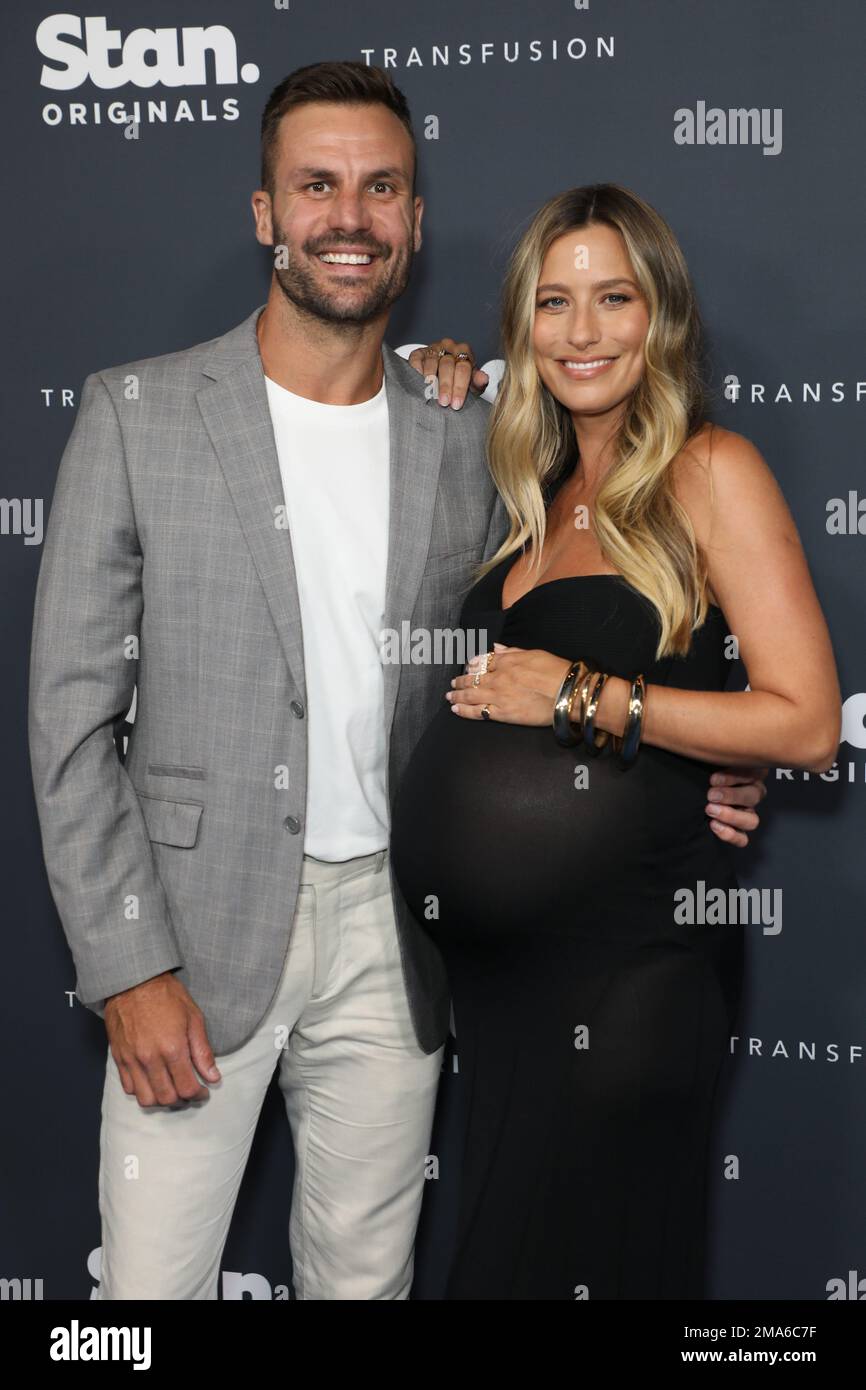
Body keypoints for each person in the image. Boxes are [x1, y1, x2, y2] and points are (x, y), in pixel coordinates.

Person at [27, 61, 766, 1302]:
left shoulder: (473, 437)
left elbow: (598, 619)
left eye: (381, 187)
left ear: (415, 221)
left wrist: (708, 759)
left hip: (402, 939)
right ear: (264, 211)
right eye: (315, 185)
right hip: (193, 945)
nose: (349, 215)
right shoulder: (135, 414)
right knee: (143, 1301)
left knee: (365, 1285)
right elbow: (67, 720)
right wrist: (125, 966)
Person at [391, 183, 841, 1299]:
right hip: (504, 1002)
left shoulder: (707, 469)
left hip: (627, 982)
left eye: (611, 299)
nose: (579, 332)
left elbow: (806, 721)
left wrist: (581, 696)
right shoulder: (532, 493)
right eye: (552, 303)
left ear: (661, 318)